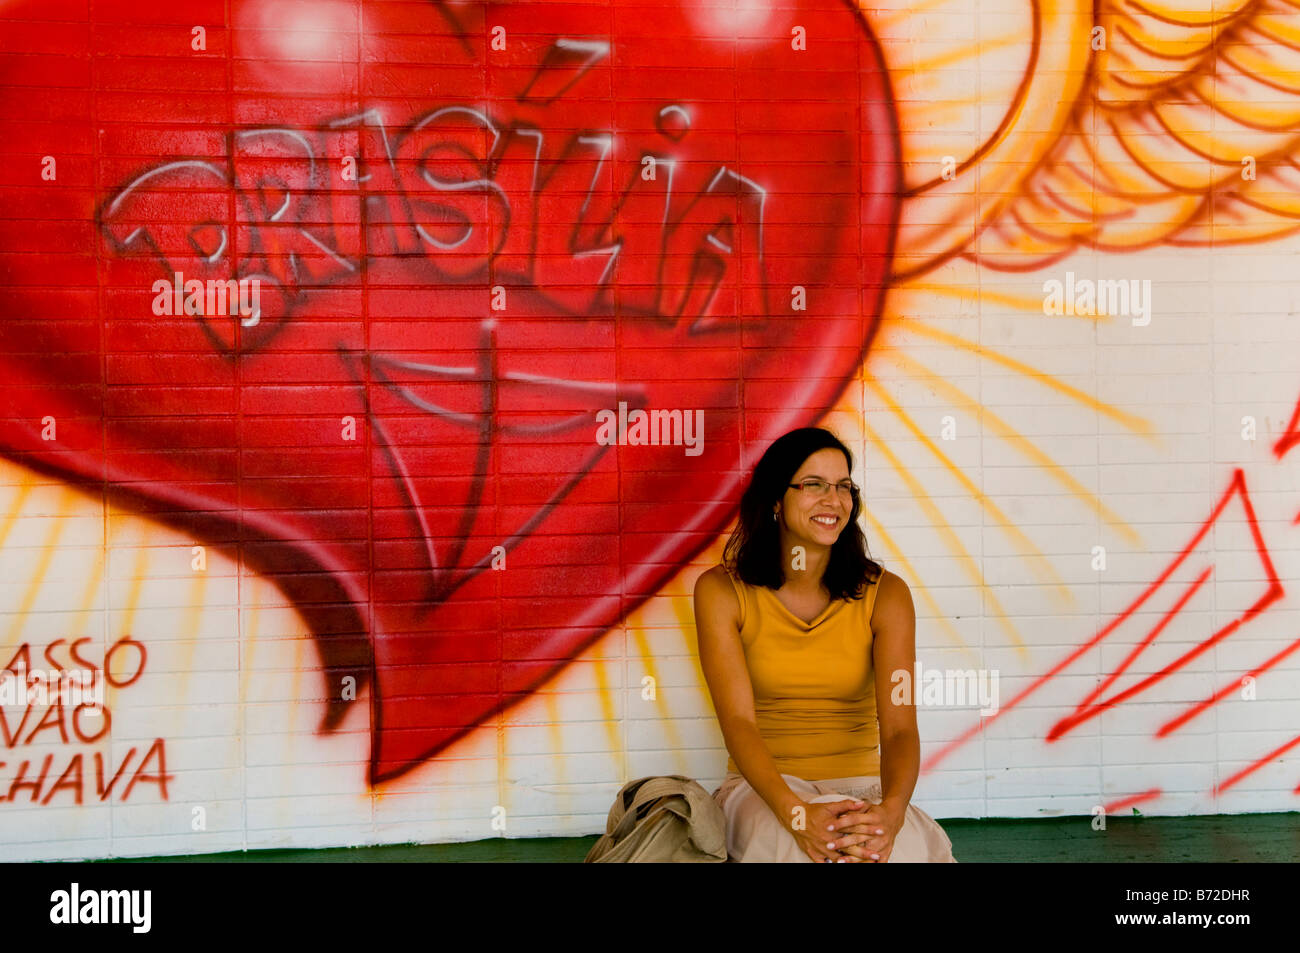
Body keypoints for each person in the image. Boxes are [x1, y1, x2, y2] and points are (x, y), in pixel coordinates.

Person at [693, 427, 956, 863]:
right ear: (776, 500)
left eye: (843, 486)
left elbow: (899, 729)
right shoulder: (721, 591)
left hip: (864, 791)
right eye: (813, 484)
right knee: (811, 855)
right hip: (767, 791)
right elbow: (738, 723)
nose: (833, 500)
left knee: (884, 854)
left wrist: (891, 814)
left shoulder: (887, 594)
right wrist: (797, 815)